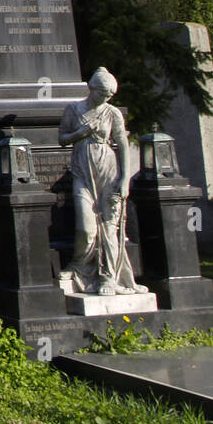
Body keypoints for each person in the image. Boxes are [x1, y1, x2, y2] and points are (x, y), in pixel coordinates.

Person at [58, 67, 145, 296]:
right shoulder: (74, 110)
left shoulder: (112, 113)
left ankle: (108, 278)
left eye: (109, 95)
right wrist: (81, 133)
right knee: (87, 228)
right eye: (102, 94)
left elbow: (122, 144)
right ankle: (79, 266)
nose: (105, 99)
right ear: (91, 88)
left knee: (109, 226)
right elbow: (62, 139)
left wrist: (125, 179)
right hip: (82, 173)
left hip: (108, 171)